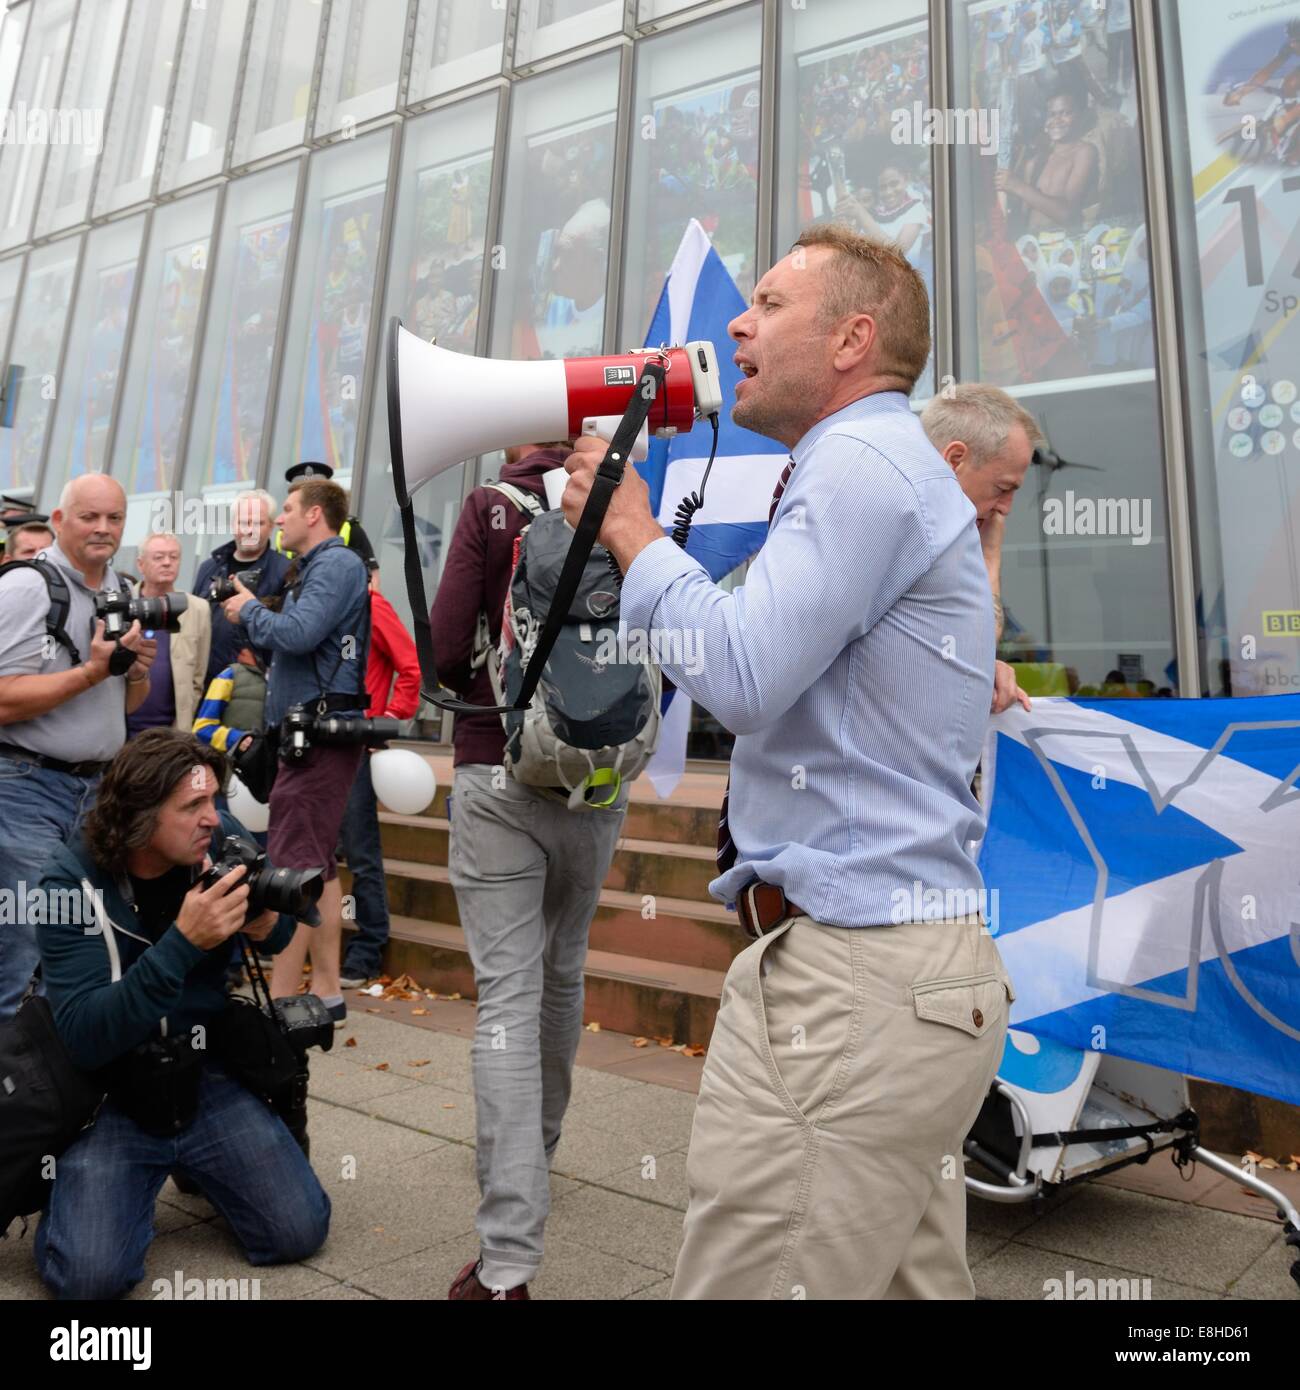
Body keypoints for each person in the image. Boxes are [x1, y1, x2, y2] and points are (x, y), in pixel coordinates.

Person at [563, 224, 1011, 1300]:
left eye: (767, 303)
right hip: (895, 984)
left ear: (853, 339)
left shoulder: (857, 460)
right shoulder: (872, 465)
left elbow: (745, 671)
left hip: (854, 987)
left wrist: (632, 531)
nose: (734, 323)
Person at [430, 439, 628, 1301]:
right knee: (563, 971)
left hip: (496, 768)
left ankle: (508, 1260)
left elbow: (443, 650)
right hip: (598, 780)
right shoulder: (626, 503)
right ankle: (538, 1152)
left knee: (507, 999)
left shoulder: (490, 508)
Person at [33, 730, 330, 1299]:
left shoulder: (220, 844)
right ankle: (91, 1190)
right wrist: (182, 943)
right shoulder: (69, 881)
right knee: (90, 1280)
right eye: (192, 805)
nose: (213, 819)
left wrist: (265, 922)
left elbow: (287, 931)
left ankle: (192, 1163)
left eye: (215, 799)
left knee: (299, 1230)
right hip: (108, 1092)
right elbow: (84, 1038)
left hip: (203, 1069)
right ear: (139, 816)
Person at [0, 474, 157, 1018]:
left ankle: (60, 1081)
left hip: (96, 789)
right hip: (26, 786)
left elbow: (126, 708)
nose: (103, 528)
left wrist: (132, 675)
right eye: (89, 517)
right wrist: (92, 672)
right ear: (60, 522)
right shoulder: (26, 587)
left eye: (114, 518)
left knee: (82, 943)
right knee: (23, 943)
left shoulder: (123, 590)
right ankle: (15, 1086)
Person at [220, 478, 370, 1025]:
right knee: (318, 866)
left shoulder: (335, 564)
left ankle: (282, 1003)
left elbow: (301, 633)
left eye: (284, 510)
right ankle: (327, 991)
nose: (276, 520)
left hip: (319, 735)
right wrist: (254, 613)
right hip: (312, 732)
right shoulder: (321, 567)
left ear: (313, 514)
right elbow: (297, 643)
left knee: (289, 863)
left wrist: (253, 611)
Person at [921, 382, 1045, 715]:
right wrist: (990, 558)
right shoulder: (893, 533)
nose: (1006, 509)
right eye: (1003, 488)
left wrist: (983, 668)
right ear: (955, 459)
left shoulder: (943, 544)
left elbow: (975, 648)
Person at [338, 560, 421, 988]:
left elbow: (411, 667)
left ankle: (368, 950)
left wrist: (385, 720)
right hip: (322, 748)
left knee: (360, 852)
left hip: (356, 748)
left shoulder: (373, 605)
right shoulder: (324, 606)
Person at [193, 489, 292, 685]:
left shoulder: (285, 571)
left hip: (255, 686)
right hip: (205, 684)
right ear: (233, 525)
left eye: (258, 523)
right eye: (244, 522)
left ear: (271, 526)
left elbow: (288, 632)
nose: (249, 530)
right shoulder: (208, 568)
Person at [126, 530, 212, 739]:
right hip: (120, 729)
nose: (167, 562)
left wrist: (184, 719)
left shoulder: (197, 609)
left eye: (173, 557)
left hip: (170, 734)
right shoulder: (123, 603)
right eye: (158, 557)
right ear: (140, 564)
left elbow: (198, 676)